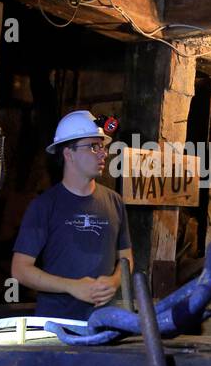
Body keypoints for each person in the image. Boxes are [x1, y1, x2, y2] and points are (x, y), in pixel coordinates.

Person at [11, 110, 133, 321]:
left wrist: (114, 281)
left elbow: (126, 258)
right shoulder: (44, 206)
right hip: (56, 326)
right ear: (69, 154)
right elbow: (20, 270)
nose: (103, 153)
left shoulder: (114, 201)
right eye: (93, 147)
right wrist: (72, 286)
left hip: (104, 323)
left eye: (102, 146)